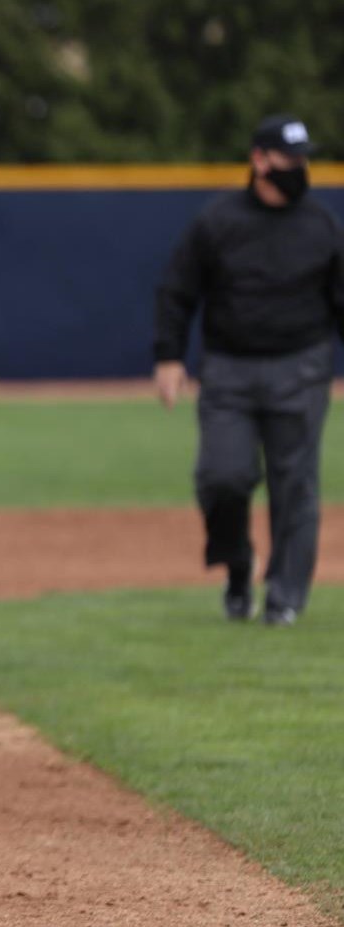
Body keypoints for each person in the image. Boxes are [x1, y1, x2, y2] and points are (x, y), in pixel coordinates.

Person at [154, 113, 344, 627]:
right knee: (222, 476)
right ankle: (237, 561)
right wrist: (169, 355)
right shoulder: (218, 222)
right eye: (289, 157)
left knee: (295, 485)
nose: (299, 167)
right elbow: (178, 289)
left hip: (301, 367)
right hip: (229, 371)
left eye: (304, 158)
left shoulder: (322, 226)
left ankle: (285, 598)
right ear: (259, 160)